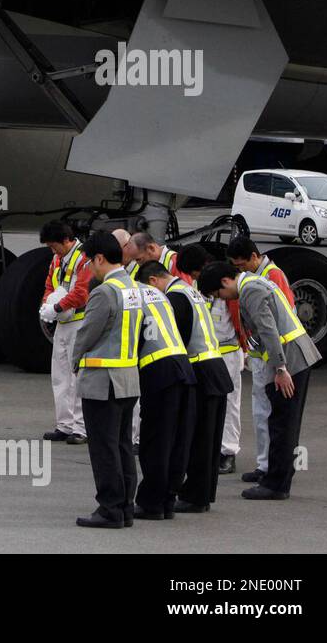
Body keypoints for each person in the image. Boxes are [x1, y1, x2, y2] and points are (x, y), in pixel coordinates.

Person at [199, 261, 319, 500]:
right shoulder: (254, 281)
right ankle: (275, 475)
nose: (222, 299)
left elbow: (267, 330)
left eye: (218, 294)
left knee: (282, 423)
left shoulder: (249, 291)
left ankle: (276, 484)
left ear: (225, 281)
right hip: (295, 356)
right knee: (283, 421)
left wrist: (280, 368)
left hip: (289, 360)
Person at [141, 262, 233, 512]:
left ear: (153, 281)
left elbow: (175, 337)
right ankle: (201, 495)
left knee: (197, 439)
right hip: (215, 365)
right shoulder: (188, 289)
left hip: (199, 369)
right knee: (209, 440)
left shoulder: (174, 297)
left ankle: (194, 496)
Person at [70, 232, 142, 529]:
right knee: (123, 445)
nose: (91, 268)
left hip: (103, 381)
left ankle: (109, 507)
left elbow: (88, 332)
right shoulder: (133, 287)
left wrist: (74, 359)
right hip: (128, 378)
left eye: (91, 262)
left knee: (104, 447)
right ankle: (125, 506)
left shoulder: (104, 292)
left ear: (100, 258)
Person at [226, 237, 295, 484]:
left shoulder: (270, 276)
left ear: (254, 257)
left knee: (268, 414)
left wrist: (279, 364)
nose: (240, 270)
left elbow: (275, 322)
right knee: (262, 413)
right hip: (262, 355)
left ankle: (269, 466)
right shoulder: (261, 275)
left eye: (242, 265)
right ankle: (265, 464)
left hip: (271, 358)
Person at [176, 244, 249, 475]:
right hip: (208, 354)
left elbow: (239, 318)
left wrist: (244, 348)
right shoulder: (201, 285)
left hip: (228, 352)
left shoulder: (225, 283)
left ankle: (228, 452)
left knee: (230, 405)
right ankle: (210, 449)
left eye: (195, 274)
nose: (194, 279)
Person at [131, 266, 196, 520]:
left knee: (155, 441)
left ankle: (151, 502)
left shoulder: (130, 295)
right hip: (183, 367)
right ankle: (168, 499)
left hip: (159, 372)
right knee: (178, 440)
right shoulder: (162, 296)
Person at [38, 221, 91, 445]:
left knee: (77, 377)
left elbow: (83, 292)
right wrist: (46, 303)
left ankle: (80, 428)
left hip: (79, 323)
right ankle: (64, 424)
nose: (53, 251)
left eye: (54, 246)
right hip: (62, 324)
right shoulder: (58, 259)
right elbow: (50, 284)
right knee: (60, 376)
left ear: (67, 240)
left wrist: (57, 307)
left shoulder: (84, 259)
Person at [129, 232, 194, 283]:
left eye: (139, 259)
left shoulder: (175, 261)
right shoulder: (137, 265)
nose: (137, 263)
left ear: (151, 248)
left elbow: (187, 291)